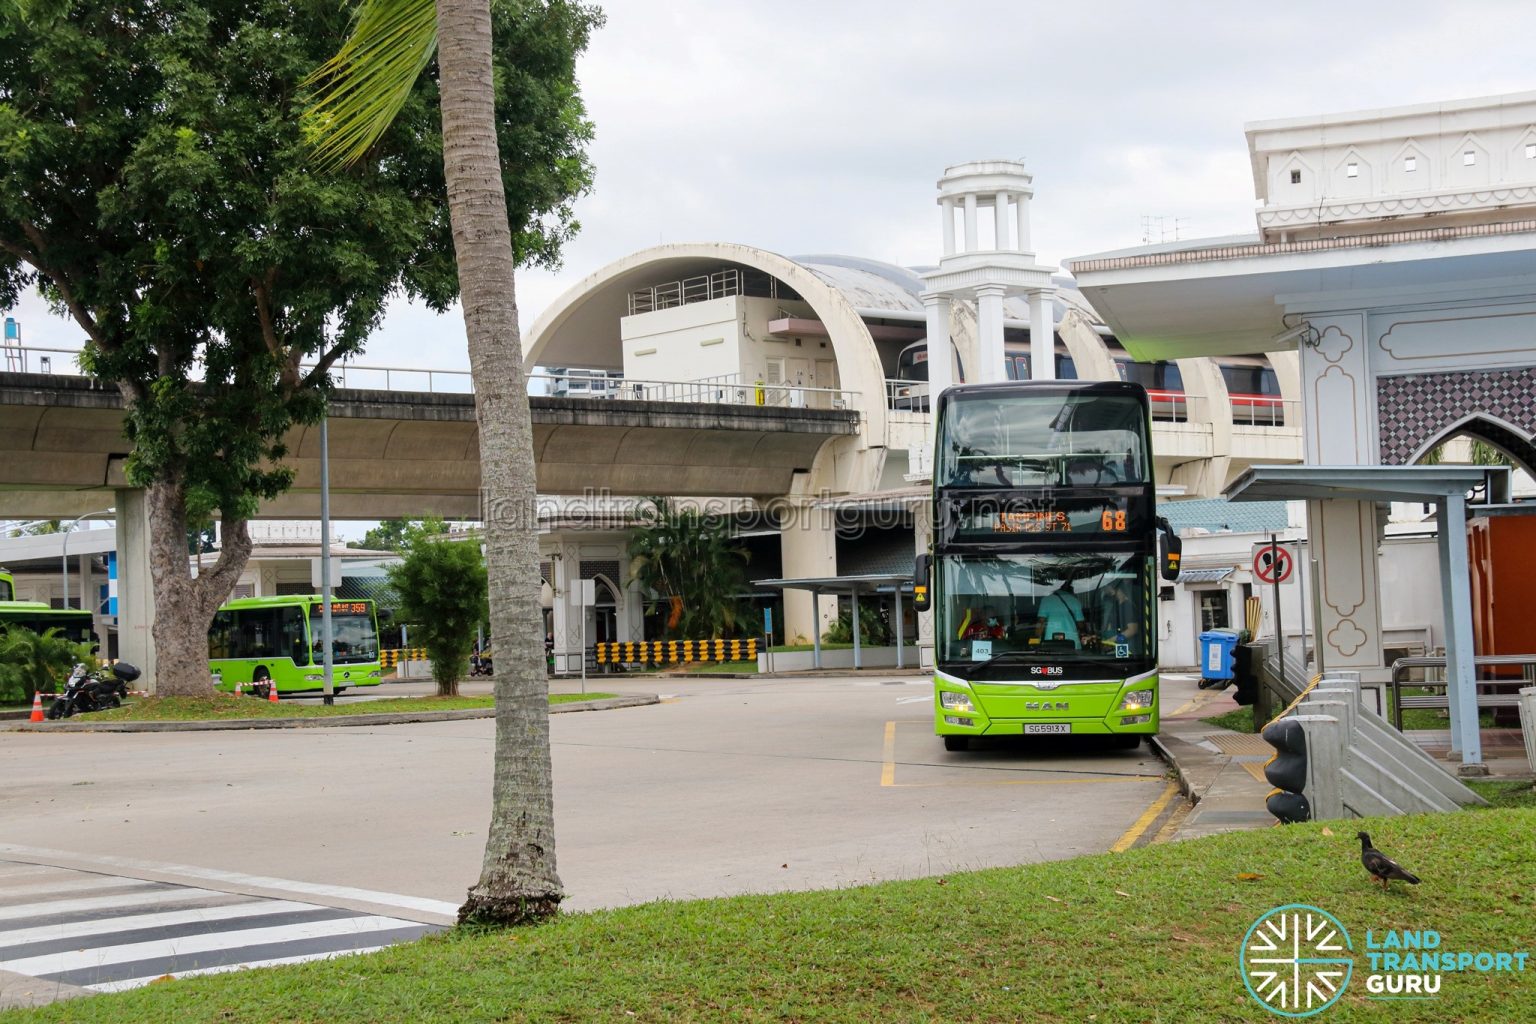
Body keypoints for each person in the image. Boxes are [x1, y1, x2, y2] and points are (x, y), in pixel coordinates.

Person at [1099, 578, 1142, 656]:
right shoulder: (1117, 605)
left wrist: (1112, 640)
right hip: (1116, 645)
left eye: (1108, 586)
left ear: (1115, 588)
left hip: (1126, 647)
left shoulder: (1127, 606)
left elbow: (1132, 630)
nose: (1106, 590)